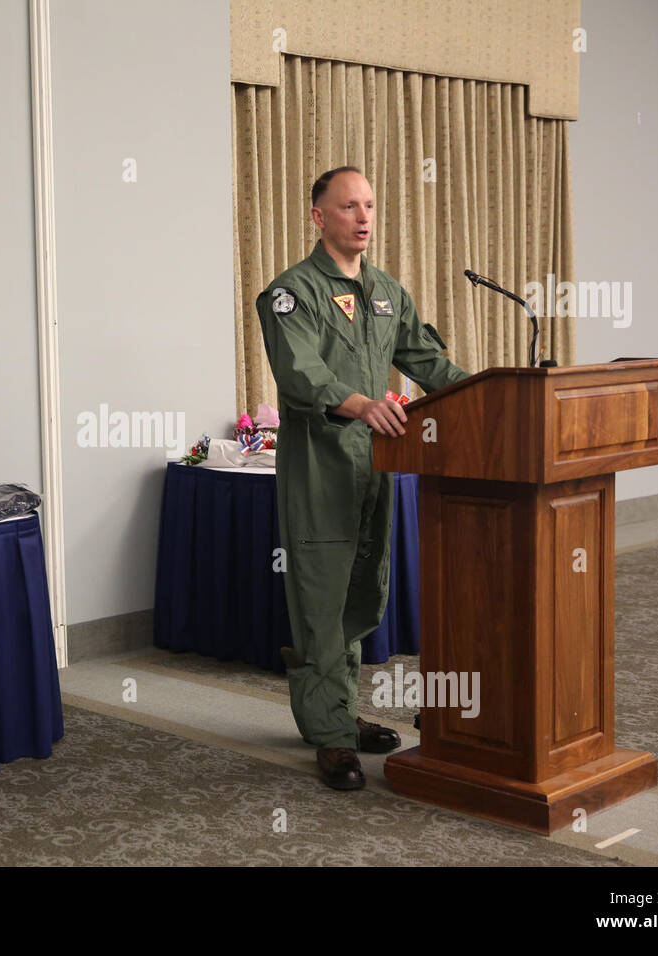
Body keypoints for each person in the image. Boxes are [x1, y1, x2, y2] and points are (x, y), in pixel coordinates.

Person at [255, 165, 471, 791]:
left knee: (359, 596)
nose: (364, 217)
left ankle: (339, 714)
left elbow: (429, 363)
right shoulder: (291, 293)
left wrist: (494, 392)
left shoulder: (385, 291)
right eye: (349, 207)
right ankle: (328, 735)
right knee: (322, 602)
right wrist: (359, 403)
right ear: (319, 217)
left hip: (377, 469)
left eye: (370, 205)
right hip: (323, 469)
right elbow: (300, 376)